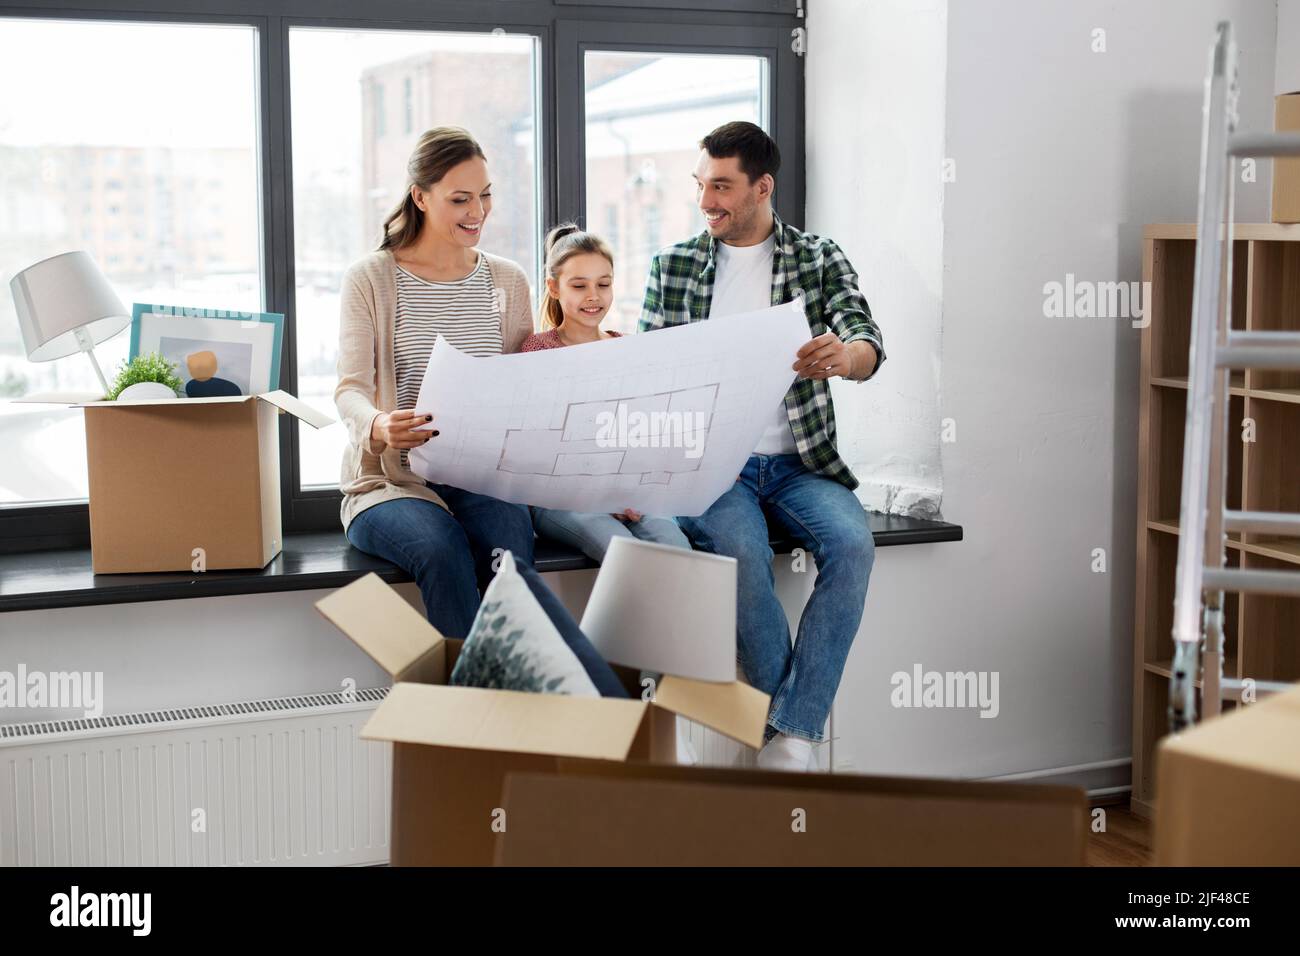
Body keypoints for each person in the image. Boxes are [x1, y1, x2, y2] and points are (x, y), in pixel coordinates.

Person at [640, 121, 886, 771]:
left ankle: (791, 731)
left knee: (853, 544)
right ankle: (794, 733)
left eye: (721, 187)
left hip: (800, 463)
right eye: (701, 186)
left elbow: (867, 340)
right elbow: (645, 379)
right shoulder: (675, 267)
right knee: (741, 552)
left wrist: (844, 357)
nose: (706, 202)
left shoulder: (818, 258)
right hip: (715, 467)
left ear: (762, 187)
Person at [336, 126, 537, 637]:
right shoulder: (372, 278)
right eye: (461, 199)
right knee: (440, 547)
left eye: (486, 195)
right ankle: (471, 709)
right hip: (389, 482)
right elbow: (350, 389)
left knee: (510, 551)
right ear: (420, 197)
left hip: (480, 475)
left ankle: (513, 690)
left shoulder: (508, 281)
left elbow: (524, 384)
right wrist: (380, 424)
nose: (478, 211)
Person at [521, 222, 692, 562]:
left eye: (603, 284)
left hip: (629, 493)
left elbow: (644, 431)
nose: (593, 296)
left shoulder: (628, 348)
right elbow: (537, 445)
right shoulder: (538, 351)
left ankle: (668, 617)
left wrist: (631, 492)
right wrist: (599, 496)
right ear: (554, 288)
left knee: (677, 551)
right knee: (621, 552)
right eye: (579, 285)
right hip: (562, 499)